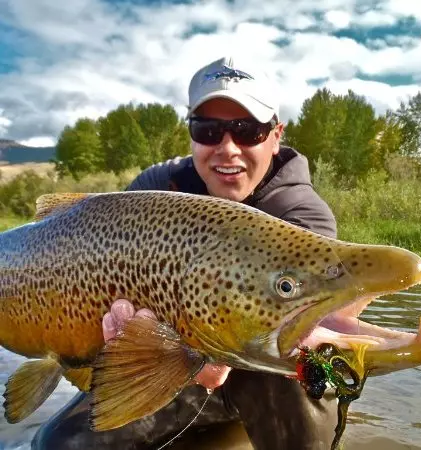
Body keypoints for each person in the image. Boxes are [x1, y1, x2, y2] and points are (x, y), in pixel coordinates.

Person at [32, 55, 338, 450]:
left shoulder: (301, 213)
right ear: (191, 134)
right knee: (58, 446)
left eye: (248, 131)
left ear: (276, 135)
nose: (228, 149)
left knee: (295, 369)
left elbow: (307, 324)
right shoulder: (157, 189)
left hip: (267, 374)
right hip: (174, 361)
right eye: (208, 130)